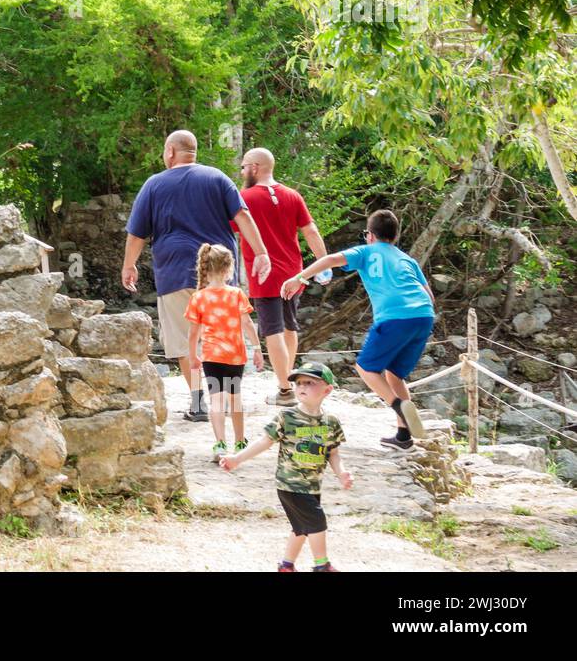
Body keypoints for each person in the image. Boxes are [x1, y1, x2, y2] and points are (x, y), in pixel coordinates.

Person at [122, 129, 272, 422]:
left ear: (170, 152)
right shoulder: (218, 178)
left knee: (184, 337)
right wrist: (262, 252)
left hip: (174, 270)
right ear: (194, 152)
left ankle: (198, 403)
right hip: (217, 271)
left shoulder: (154, 185)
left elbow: (137, 232)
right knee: (220, 333)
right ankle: (224, 396)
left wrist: (129, 265)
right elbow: (243, 217)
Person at [281, 209, 434, 449]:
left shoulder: (365, 251)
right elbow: (430, 296)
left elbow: (331, 260)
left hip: (394, 315)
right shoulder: (407, 259)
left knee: (366, 367)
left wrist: (299, 277)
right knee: (395, 374)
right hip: (424, 315)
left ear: (370, 235)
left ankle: (399, 406)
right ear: (394, 236)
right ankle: (404, 437)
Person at [219, 363, 352, 572]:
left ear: (327, 390)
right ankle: (322, 565)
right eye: (299, 382)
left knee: (301, 527)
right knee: (317, 521)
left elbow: (333, 453)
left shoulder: (331, 422)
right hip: (290, 484)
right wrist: (238, 458)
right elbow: (265, 441)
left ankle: (286, 565)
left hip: (312, 486)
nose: (302, 386)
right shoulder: (287, 417)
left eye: (310, 382)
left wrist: (341, 473)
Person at [235, 147, 332, 407]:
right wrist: (323, 264)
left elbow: (229, 228)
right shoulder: (292, 195)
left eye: (244, 167)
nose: (243, 172)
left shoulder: (244, 198)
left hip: (264, 274)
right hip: (294, 273)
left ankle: (285, 389)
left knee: (272, 331)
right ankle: (287, 381)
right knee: (290, 326)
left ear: (254, 168)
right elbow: (310, 231)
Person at [184, 243, 264, 459]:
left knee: (216, 400)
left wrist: (193, 355)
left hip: (211, 356)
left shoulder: (198, 298)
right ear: (229, 268)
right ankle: (240, 442)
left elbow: (193, 333)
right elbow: (247, 324)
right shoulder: (236, 294)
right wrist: (257, 349)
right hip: (235, 355)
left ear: (205, 267)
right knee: (235, 399)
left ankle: (220, 444)